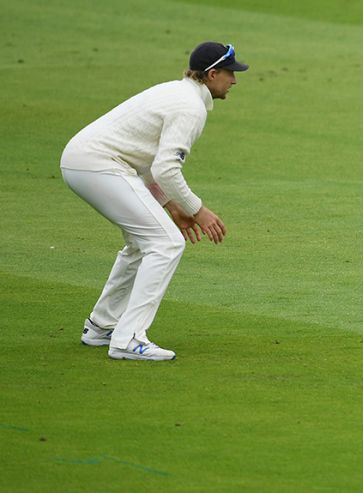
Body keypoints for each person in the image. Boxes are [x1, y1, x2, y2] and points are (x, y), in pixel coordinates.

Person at [62, 41, 247, 361]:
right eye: (230, 73)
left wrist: (170, 204)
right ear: (212, 73)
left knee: (141, 242)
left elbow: (146, 158)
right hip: (99, 165)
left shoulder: (177, 93)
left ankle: (101, 327)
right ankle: (128, 339)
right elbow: (165, 168)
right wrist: (197, 210)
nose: (234, 80)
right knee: (166, 243)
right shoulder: (190, 107)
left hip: (86, 162)